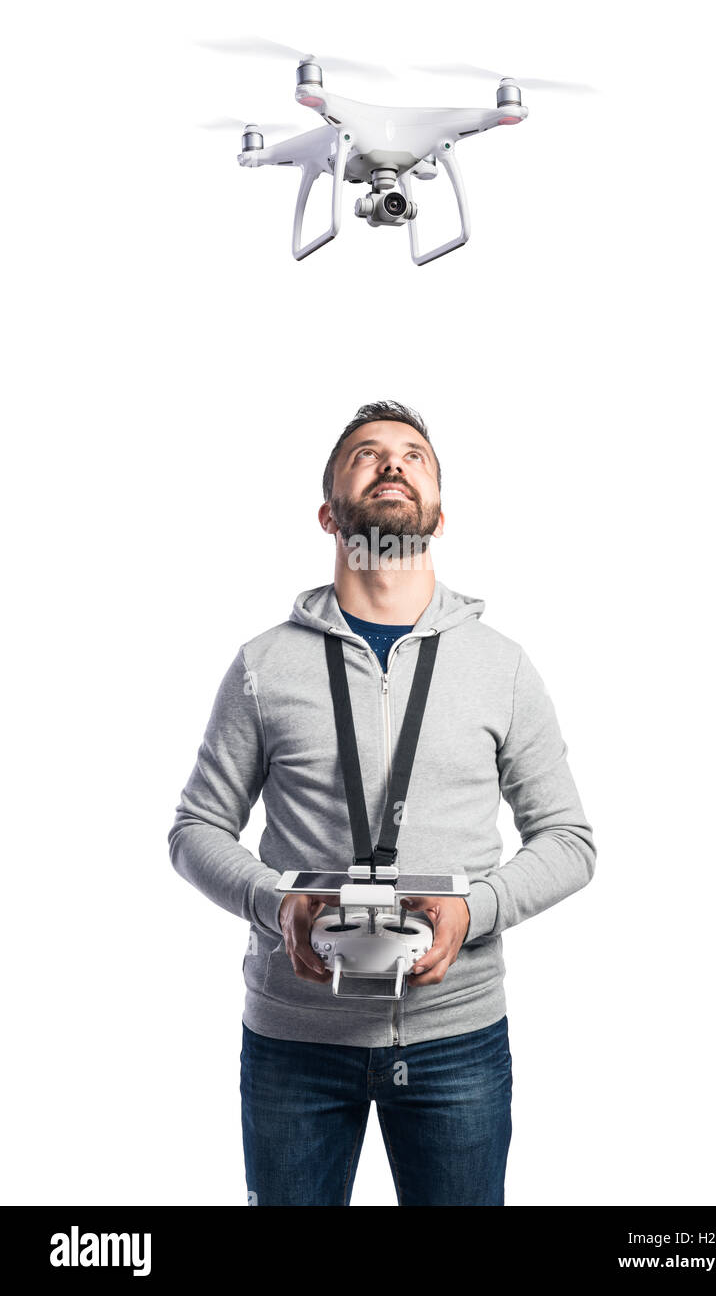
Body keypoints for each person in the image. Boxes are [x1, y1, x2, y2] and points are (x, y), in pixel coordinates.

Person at [168, 400, 596, 1206]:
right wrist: (276, 904)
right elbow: (195, 829)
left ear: (438, 513)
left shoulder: (500, 666)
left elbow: (568, 840)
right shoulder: (263, 664)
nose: (392, 463)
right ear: (330, 513)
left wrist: (475, 910)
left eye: (413, 456)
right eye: (367, 454)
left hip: (455, 1037)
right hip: (294, 1039)